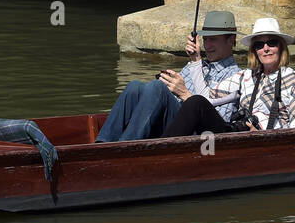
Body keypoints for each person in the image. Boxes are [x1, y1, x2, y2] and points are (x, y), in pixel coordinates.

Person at [94, 11, 242, 142]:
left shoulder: (236, 75)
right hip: (170, 123)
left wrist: (183, 93)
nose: (207, 46)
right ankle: (102, 143)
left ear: (231, 40)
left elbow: (218, 120)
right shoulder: (196, 65)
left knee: (156, 87)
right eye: (205, 39)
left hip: (196, 133)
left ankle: (125, 147)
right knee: (136, 87)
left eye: (213, 39)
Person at [161, 17, 295, 137]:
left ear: (281, 47)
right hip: (235, 136)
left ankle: (159, 156)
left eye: (271, 43)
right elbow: (205, 97)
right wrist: (196, 60)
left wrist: (264, 134)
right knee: (196, 102)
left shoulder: (294, 81)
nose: (265, 49)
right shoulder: (245, 76)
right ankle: (159, 151)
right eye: (259, 45)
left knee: (195, 101)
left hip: (267, 143)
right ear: (254, 50)